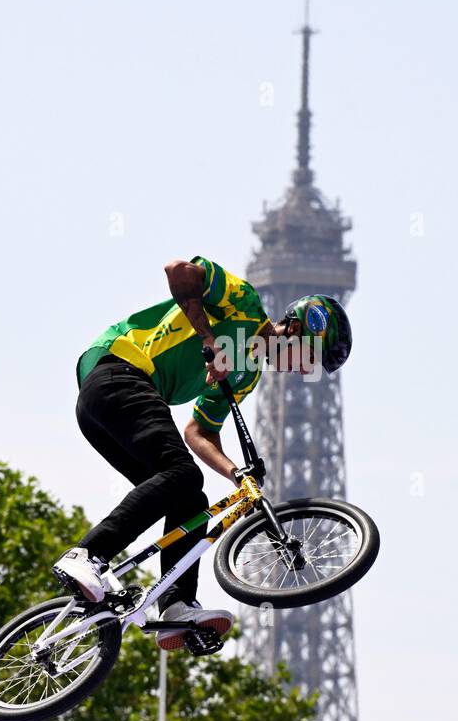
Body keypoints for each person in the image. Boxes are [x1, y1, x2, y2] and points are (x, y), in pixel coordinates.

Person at [53, 256, 352, 650]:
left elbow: (199, 431)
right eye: (308, 359)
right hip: (117, 370)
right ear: (295, 329)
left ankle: (176, 605)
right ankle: (87, 555)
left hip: (105, 409)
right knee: (182, 473)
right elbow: (179, 271)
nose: (302, 372)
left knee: (191, 497)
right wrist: (209, 338)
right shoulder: (243, 305)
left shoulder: (247, 374)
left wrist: (235, 473)